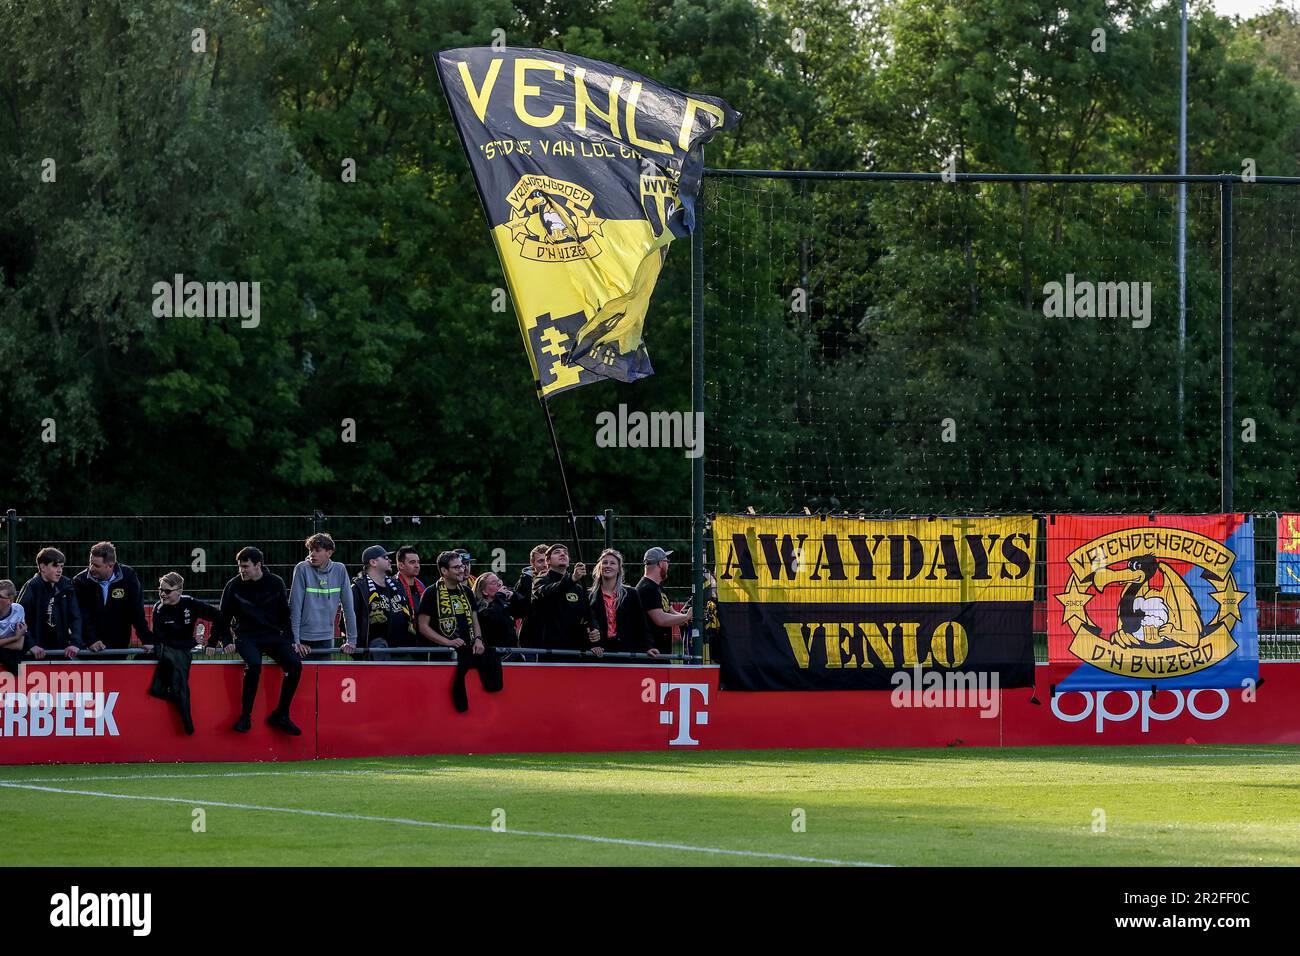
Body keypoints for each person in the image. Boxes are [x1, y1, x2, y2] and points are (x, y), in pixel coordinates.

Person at [218, 547, 304, 735]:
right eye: (240, 566)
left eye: (245, 566)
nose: (242, 570)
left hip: (273, 635)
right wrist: (226, 640)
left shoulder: (275, 583)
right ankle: (245, 716)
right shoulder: (233, 585)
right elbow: (223, 617)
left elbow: (284, 614)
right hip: (246, 635)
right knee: (254, 665)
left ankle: (281, 714)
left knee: (295, 665)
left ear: (258, 566)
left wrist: (290, 639)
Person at [417, 550, 501, 712]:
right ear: (444, 571)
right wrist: (448, 642)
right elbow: (423, 626)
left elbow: (475, 619)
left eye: (462, 566)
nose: (462, 570)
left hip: (468, 650)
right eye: (456, 567)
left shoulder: (468, 591)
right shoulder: (431, 593)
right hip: (442, 656)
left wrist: (478, 639)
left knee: (492, 657)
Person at [148, 571, 227, 735]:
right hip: (168, 650)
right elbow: (160, 638)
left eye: (167, 591)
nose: (162, 594)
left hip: (182, 652)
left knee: (177, 679)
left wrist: (212, 642)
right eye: (160, 590)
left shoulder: (190, 603)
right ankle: (179, 701)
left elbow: (219, 616)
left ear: (179, 591)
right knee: (155, 687)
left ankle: (186, 720)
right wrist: (192, 642)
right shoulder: (158, 608)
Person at [72, 541, 152, 652]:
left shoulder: (128, 577)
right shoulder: (81, 581)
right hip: (88, 648)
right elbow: (81, 614)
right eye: (90, 563)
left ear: (110, 566)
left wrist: (147, 640)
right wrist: (92, 640)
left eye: (96, 565)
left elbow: (136, 611)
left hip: (119, 645)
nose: (91, 568)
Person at [289, 532, 358, 659]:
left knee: (324, 677)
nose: (312, 554)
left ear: (329, 553)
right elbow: (295, 607)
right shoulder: (302, 568)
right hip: (303, 639)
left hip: (326, 638)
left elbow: (348, 608)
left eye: (317, 550)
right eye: (310, 550)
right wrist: (295, 641)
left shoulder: (340, 570)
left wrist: (351, 640)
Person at [529, 543, 600, 657]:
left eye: (565, 553)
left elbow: (589, 614)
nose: (562, 554)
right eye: (557, 552)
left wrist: (594, 629)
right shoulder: (540, 580)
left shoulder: (578, 588)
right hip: (548, 652)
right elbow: (547, 593)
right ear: (548, 561)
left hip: (574, 651)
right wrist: (572, 579)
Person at [588, 549, 657, 660]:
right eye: (604, 563)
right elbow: (586, 626)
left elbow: (641, 623)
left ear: (619, 569)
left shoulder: (631, 594)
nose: (608, 566)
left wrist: (649, 646)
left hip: (626, 652)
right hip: (601, 653)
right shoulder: (589, 596)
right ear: (599, 567)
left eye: (612, 563)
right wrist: (593, 645)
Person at [17, 547, 83, 660]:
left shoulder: (66, 586)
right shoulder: (32, 587)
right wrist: (31, 645)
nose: (59, 570)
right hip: (36, 655)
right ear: (42, 567)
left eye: (61, 566)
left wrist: (75, 643)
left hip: (61, 652)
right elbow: (19, 620)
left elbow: (75, 617)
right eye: (55, 566)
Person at [352, 545, 414, 661]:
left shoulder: (397, 585)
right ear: (373, 562)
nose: (390, 560)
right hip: (374, 654)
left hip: (403, 651)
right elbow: (349, 619)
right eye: (385, 558)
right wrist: (358, 648)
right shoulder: (359, 588)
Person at [636, 547, 691, 657]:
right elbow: (660, 619)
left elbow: (671, 613)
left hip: (661, 652)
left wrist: (688, 617)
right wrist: (687, 616)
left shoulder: (658, 588)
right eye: (667, 561)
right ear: (660, 564)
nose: (668, 565)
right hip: (651, 654)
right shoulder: (646, 588)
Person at [473, 572, 527, 650]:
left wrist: (514, 596)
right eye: (493, 582)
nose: (499, 584)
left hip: (512, 652)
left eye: (499, 581)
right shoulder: (482, 610)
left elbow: (524, 611)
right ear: (484, 591)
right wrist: (500, 596)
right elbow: (494, 617)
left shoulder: (502, 605)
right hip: (494, 654)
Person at [514, 544, 550, 649]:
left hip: (558, 639)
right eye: (540, 561)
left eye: (547, 560)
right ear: (532, 563)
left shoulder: (565, 581)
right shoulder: (524, 582)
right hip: (530, 639)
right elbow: (518, 612)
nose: (545, 565)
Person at [0, 580, 27, 676]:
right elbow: (17, 641)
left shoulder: (18, 609)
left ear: (10, 600)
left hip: (12, 652)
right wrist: (15, 638)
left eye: (0, 596)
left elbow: (19, 645)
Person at [394, 545, 426, 618]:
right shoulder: (392, 586)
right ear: (401, 565)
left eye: (418, 562)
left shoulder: (422, 586)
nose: (417, 565)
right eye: (412, 562)